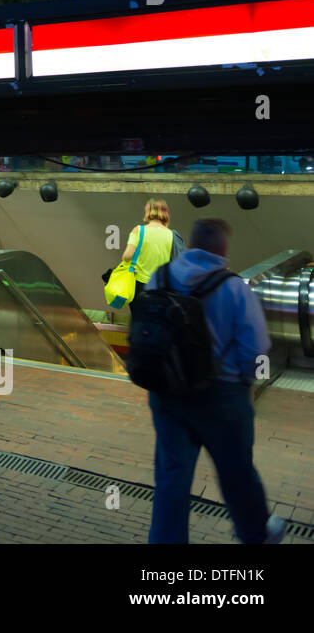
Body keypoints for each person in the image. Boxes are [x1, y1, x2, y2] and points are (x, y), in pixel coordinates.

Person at [145, 219, 284, 545]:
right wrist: (246, 382)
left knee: (171, 478)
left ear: (191, 244)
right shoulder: (235, 288)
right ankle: (256, 535)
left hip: (167, 395)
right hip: (221, 398)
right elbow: (257, 350)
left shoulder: (159, 277)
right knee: (236, 474)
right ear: (223, 249)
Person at [122, 198, 175, 299]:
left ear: (148, 211)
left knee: (139, 313)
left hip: (140, 283)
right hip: (161, 284)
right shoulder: (170, 234)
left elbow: (127, 256)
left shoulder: (139, 230)